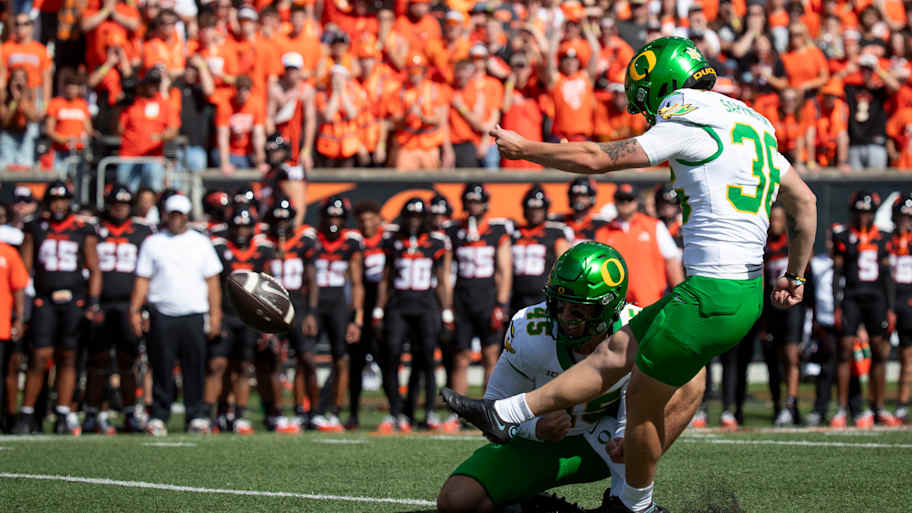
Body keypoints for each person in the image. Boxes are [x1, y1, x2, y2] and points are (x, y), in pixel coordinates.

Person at [442, 37, 817, 513]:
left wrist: (525, 148)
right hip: (741, 289)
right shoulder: (751, 121)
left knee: (640, 400)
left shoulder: (690, 118)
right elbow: (805, 202)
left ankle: (633, 507)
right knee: (616, 352)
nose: (647, 105)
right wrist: (795, 275)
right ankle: (506, 413)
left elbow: (599, 159)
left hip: (711, 292)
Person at [437, 243, 701, 513]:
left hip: (608, 442)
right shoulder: (531, 330)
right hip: (541, 443)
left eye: (578, 311)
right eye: (559, 305)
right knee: (456, 501)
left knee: (688, 380)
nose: (564, 317)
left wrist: (625, 436)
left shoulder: (636, 328)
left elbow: (635, 397)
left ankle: (629, 502)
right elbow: (494, 404)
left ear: (608, 308)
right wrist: (535, 428)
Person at [130, 194, 223, 436]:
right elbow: (143, 280)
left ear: (187, 216)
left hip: (193, 313)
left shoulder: (200, 242)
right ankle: (159, 415)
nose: (176, 219)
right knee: (161, 367)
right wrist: (135, 310)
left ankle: (196, 415)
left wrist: (215, 315)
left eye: (180, 214)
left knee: (194, 368)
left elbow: (213, 282)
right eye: (172, 214)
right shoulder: (154, 242)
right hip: (162, 312)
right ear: (166, 215)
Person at [13, 180, 102, 435]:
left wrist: (93, 302)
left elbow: (94, 267)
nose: (59, 205)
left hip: (74, 300)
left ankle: (63, 411)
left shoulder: (82, 229)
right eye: (54, 200)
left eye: (63, 199)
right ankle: (28, 413)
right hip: (45, 299)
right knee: (39, 357)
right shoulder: (36, 228)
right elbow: (25, 267)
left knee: (68, 356)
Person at [374, 198, 452, 432]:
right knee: (392, 355)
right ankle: (396, 412)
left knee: (427, 359)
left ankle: (428, 411)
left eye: (418, 217)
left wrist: (446, 311)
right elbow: (385, 277)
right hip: (399, 303)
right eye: (410, 216)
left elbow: (442, 280)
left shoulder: (436, 241)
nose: (413, 221)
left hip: (425, 303)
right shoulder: (393, 241)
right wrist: (379, 309)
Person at [82, 184, 154, 434]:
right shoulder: (94, 229)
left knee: (127, 360)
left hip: (128, 304)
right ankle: (92, 412)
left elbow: (148, 272)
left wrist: (143, 308)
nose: (120, 209)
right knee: (97, 360)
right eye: (116, 205)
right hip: (102, 303)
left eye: (124, 205)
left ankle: (129, 412)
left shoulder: (142, 231)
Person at [831, 191, 900, 428]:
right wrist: (836, 305)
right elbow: (837, 274)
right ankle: (841, 408)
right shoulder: (843, 236)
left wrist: (890, 308)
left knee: (880, 351)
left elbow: (888, 276)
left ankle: (878, 407)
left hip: (876, 299)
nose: (863, 217)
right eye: (860, 212)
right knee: (845, 349)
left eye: (867, 212)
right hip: (851, 297)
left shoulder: (883, 238)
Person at [207, 206, 275, 434]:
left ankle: (239, 416)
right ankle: (212, 415)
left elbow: (268, 285)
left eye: (246, 226)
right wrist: (213, 314)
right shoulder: (219, 248)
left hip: (249, 317)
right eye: (237, 226)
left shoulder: (263, 250)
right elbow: (212, 282)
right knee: (217, 365)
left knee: (243, 367)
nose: (241, 231)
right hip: (226, 314)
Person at [444, 183, 512, 408]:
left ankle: (488, 409)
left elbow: (504, 270)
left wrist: (501, 303)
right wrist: (447, 305)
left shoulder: (497, 231)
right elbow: (446, 271)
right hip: (462, 298)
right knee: (460, 356)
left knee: (490, 355)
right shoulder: (454, 231)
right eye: (470, 201)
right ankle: (459, 412)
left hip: (487, 298)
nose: (473, 206)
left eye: (477, 201)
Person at [264, 197, 319, 433]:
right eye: (277, 219)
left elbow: (312, 279)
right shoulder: (264, 244)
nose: (281, 223)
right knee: (275, 360)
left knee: (307, 359)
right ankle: (277, 413)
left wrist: (311, 313)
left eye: (285, 219)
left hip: (297, 303)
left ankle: (309, 412)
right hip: (274, 305)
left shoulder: (304, 242)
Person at [310, 196, 364, 432]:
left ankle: (334, 410)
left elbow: (357, 282)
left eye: (338, 217)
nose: (333, 221)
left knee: (341, 359)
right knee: (306, 358)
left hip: (338, 305)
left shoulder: (351, 243)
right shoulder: (311, 240)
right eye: (330, 216)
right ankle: (309, 409)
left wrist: (357, 318)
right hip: (314, 303)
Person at [594, 184, 684, 307]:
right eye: (621, 199)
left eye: (629, 199)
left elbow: (672, 262)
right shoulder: (603, 233)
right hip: (616, 307)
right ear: (614, 202)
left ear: (636, 201)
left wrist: (681, 298)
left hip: (650, 304)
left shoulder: (654, 226)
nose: (625, 203)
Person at [763, 203, 807, 427]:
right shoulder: (764, 246)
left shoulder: (793, 246)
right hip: (771, 309)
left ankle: (791, 404)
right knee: (773, 359)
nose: (774, 223)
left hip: (792, 308)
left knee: (791, 356)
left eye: (778, 219)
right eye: (772, 218)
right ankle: (778, 404)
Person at [510, 184, 572, 317]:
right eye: (531, 208)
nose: (534, 212)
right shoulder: (513, 232)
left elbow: (565, 266)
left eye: (539, 209)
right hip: (517, 297)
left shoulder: (556, 232)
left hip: (544, 297)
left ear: (546, 209)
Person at [351, 201, 385, 431]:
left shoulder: (389, 240)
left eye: (370, 218)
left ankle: (399, 413)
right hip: (362, 302)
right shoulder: (354, 243)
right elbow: (355, 282)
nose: (366, 224)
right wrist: (359, 314)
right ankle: (351, 413)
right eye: (362, 220)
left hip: (386, 305)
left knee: (389, 359)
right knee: (355, 360)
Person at [0, 234, 28, 434]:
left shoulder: (7, 252)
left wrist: (19, 318)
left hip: (2, 325)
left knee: (6, 373)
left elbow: (19, 287)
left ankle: (7, 418)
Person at [890, 193, 912, 424]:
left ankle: (902, 405)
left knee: (907, 357)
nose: (905, 221)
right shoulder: (886, 240)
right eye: (902, 216)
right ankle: (875, 405)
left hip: (909, 300)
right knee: (882, 352)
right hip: (888, 299)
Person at [550, 177, 608, 242]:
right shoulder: (556, 222)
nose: (578, 199)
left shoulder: (602, 224)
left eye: (583, 195)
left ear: (591, 198)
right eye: (575, 195)